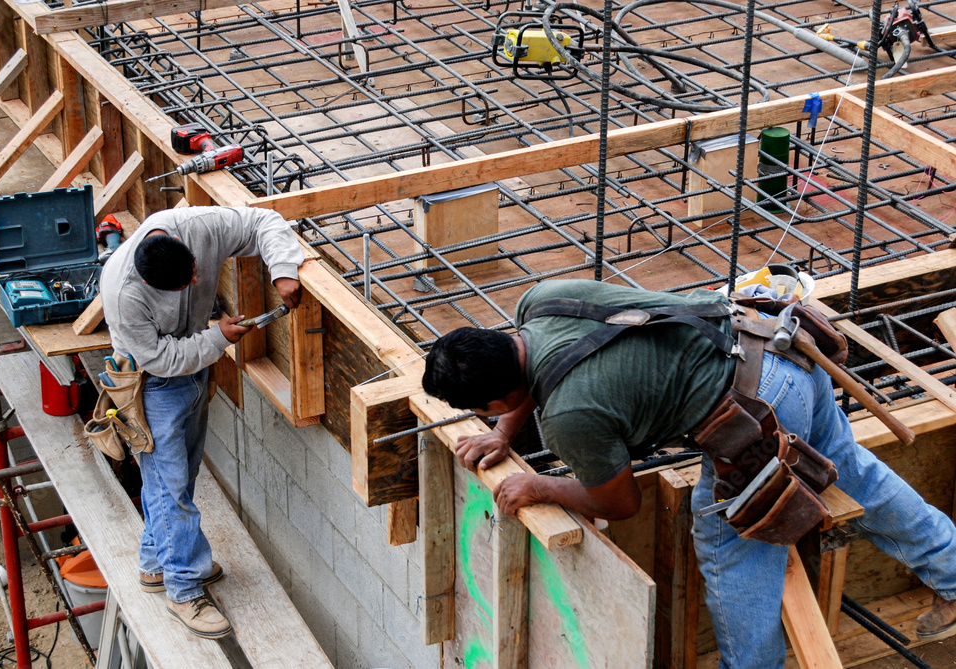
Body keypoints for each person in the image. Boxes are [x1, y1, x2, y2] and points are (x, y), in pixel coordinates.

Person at [421, 278, 956, 667]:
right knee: (853, 471)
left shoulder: (569, 417)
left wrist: (538, 484)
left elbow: (618, 503)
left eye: (490, 412)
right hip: (780, 343)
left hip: (757, 410)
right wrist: (504, 433)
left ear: (495, 397)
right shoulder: (541, 301)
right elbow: (532, 372)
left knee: (730, 537)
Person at [100, 206, 304, 639]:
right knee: (170, 488)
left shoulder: (197, 227)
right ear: (150, 283)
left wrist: (283, 270)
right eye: (182, 285)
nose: (196, 282)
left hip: (196, 370)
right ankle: (184, 591)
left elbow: (264, 220)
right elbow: (162, 359)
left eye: (194, 272)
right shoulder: (123, 295)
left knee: (178, 479)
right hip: (151, 385)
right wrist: (216, 338)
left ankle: (158, 564)